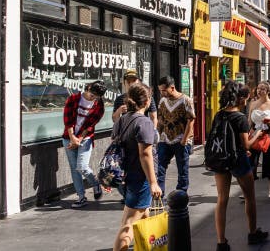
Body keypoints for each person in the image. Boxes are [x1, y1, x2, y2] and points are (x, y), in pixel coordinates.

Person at [212, 81, 268, 250]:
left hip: (220, 159)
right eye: (247, 98)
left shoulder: (219, 114)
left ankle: (221, 242)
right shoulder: (240, 117)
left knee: (222, 200)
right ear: (242, 99)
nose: (248, 101)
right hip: (238, 160)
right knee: (249, 197)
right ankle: (252, 233)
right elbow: (247, 144)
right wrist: (258, 134)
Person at [112, 84, 162, 251]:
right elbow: (145, 154)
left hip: (125, 176)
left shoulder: (121, 120)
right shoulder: (143, 122)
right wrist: (153, 182)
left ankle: (146, 247)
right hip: (140, 179)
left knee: (144, 214)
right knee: (127, 225)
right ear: (147, 101)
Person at [62, 80, 107, 209]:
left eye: (96, 97)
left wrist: (79, 139)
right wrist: (72, 138)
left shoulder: (99, 105)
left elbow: (90, 125)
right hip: (68, 137)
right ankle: (81, 197)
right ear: (87, 88)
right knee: (74, 169)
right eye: (92, 95)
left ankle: (96, 183)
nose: (92, 98)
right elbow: (68, 120)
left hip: (85, 138)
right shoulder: (74, 99)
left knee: (81, 166)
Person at [156, 76, 196, 197]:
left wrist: (184, 140)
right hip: (164, 139)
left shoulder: (186, 100)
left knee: (182, 170)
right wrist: (158, 136)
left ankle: (181, 196)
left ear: (172, 88)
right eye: (160, 90)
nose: (162, 93)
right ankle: (159, 195)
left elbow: (191, 120)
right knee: (159, 168)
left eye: (164, 90)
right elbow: (160, 119)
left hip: (181, 140)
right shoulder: (162, 101)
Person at [248, 81, 270, 198]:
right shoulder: (252, 104)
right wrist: (248, 132)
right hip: (255, 135)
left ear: (268, 91)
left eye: (262, 89)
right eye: (258, 88)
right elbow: (249, 121)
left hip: (269, 134)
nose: (259, 91)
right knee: (251, 162)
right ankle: (247, 190)